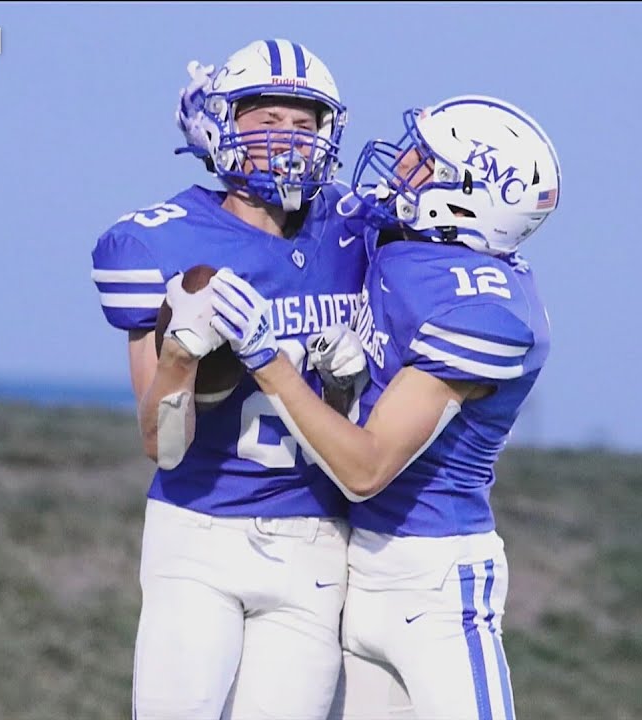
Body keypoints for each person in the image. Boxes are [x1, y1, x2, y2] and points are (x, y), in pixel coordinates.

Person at [193, 94, 561, 720]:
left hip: (436, 581)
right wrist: (212, 125)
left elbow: (366, 470)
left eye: (425, 162)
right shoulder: (402, 238)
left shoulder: (482, 309)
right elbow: (292, 187)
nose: (401, 167)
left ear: (471, 195)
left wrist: (268, 357)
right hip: (356, 571)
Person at [88, 38, 368, 720]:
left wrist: (346, 385)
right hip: (200, 529)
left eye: (304, 125)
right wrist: (182, 355)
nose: (288, 142)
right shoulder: (163, 243)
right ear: (221, 125)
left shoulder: (357, 230)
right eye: (267, 121)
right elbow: (162, 443)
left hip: (316, 535)